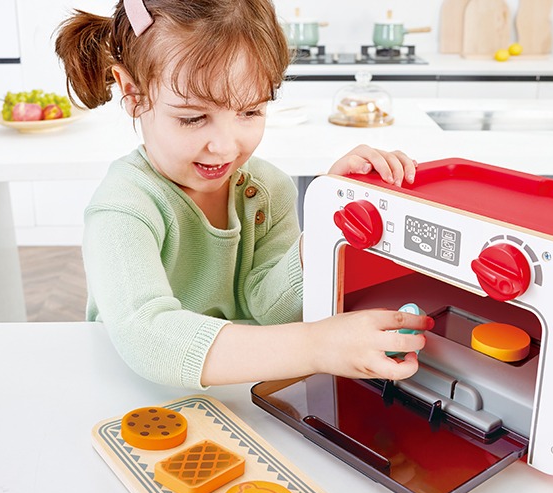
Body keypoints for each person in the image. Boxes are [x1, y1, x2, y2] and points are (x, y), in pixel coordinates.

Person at [55, 0, 432, 389]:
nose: (225, 146)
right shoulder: (123, 206)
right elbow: (148, 335)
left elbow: (267, 310)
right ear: (132, 93)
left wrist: (323, 228)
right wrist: (317, 345)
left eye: (250, 112)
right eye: (193, 117)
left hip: (235, 398)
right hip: (132, 397)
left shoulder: (267, 190)